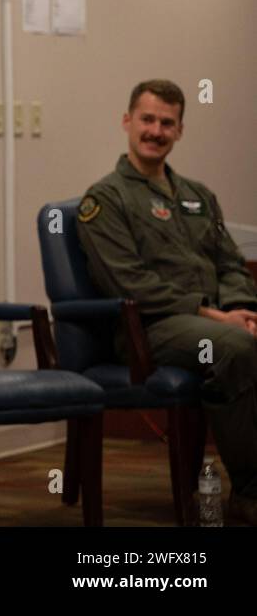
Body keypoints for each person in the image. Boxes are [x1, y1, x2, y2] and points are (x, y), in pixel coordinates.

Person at [75, 79, 257, 524]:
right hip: (148, 330)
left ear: (179, 131)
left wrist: (242, 310)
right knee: (232, 348)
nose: (156, 130)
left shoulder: (198, 195)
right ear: (127, 122)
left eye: (167, 123)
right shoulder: (105, 199)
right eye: (147, 119)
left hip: (210, 321)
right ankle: (251, 493)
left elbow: (231, 262)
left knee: (240, 337)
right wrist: (214, 315)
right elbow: (129, 283)